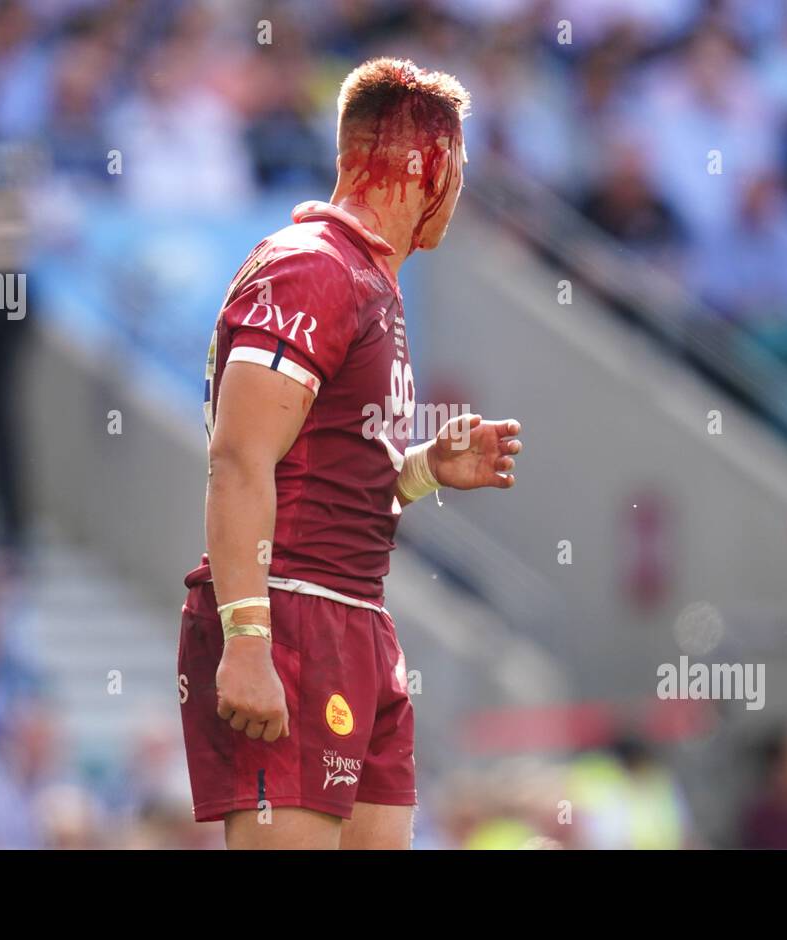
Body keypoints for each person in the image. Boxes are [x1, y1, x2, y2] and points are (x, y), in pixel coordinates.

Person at [177, 58, 523, 850]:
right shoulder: (314, 266)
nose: (459, 191)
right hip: (292, 613)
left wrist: (427, 469)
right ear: (426, 166)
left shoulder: (371, 282)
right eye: (458, 165)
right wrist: (249, 641)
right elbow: (237, 460)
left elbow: (325, 485)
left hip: (355, 616)